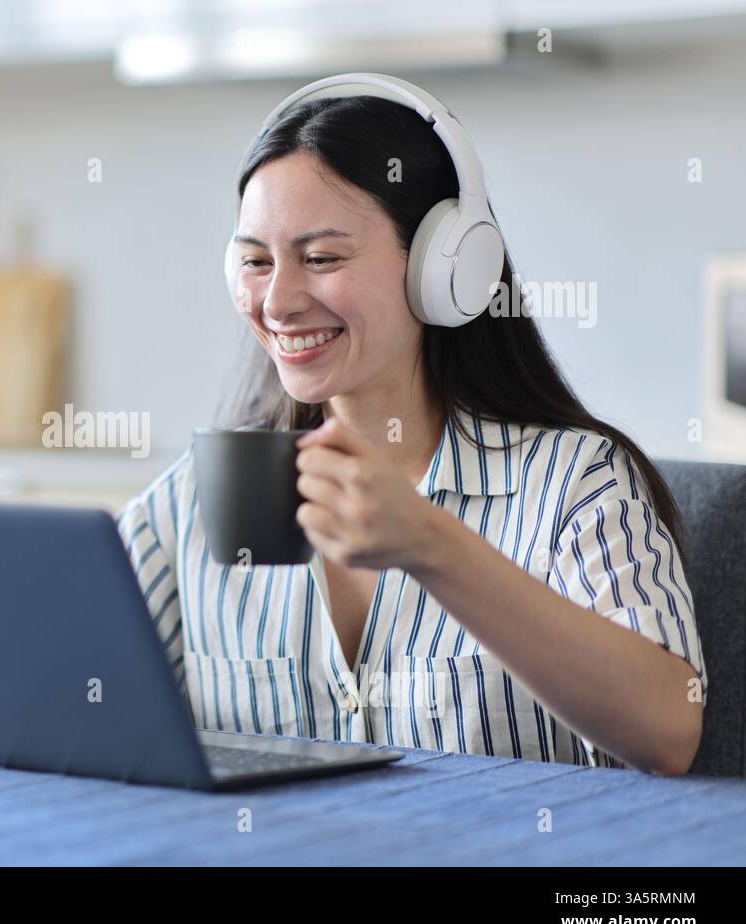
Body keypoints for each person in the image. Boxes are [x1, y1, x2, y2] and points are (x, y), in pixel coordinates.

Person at [116, 76, 705, 775]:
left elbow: (669, 730)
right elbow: (68, 695)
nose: (277, 300)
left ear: (444, 268)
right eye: (255, 261)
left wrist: (430, 544)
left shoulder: (573, 482)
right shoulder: (194, 501)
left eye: (322, 258)